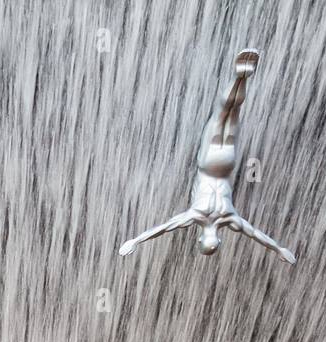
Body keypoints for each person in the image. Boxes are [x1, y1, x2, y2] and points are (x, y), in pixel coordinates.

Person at [119, 50, 295, 264]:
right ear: (202, 236)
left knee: (232, 114)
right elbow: (163, 228)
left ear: (218, 240)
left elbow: (256, 234)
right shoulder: (195, 215)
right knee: (221, 114)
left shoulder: (230, 218)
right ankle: (238, 76)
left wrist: (280, 250)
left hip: (226, 163)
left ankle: (243, 78)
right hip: (207, 163)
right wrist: (135, 240)